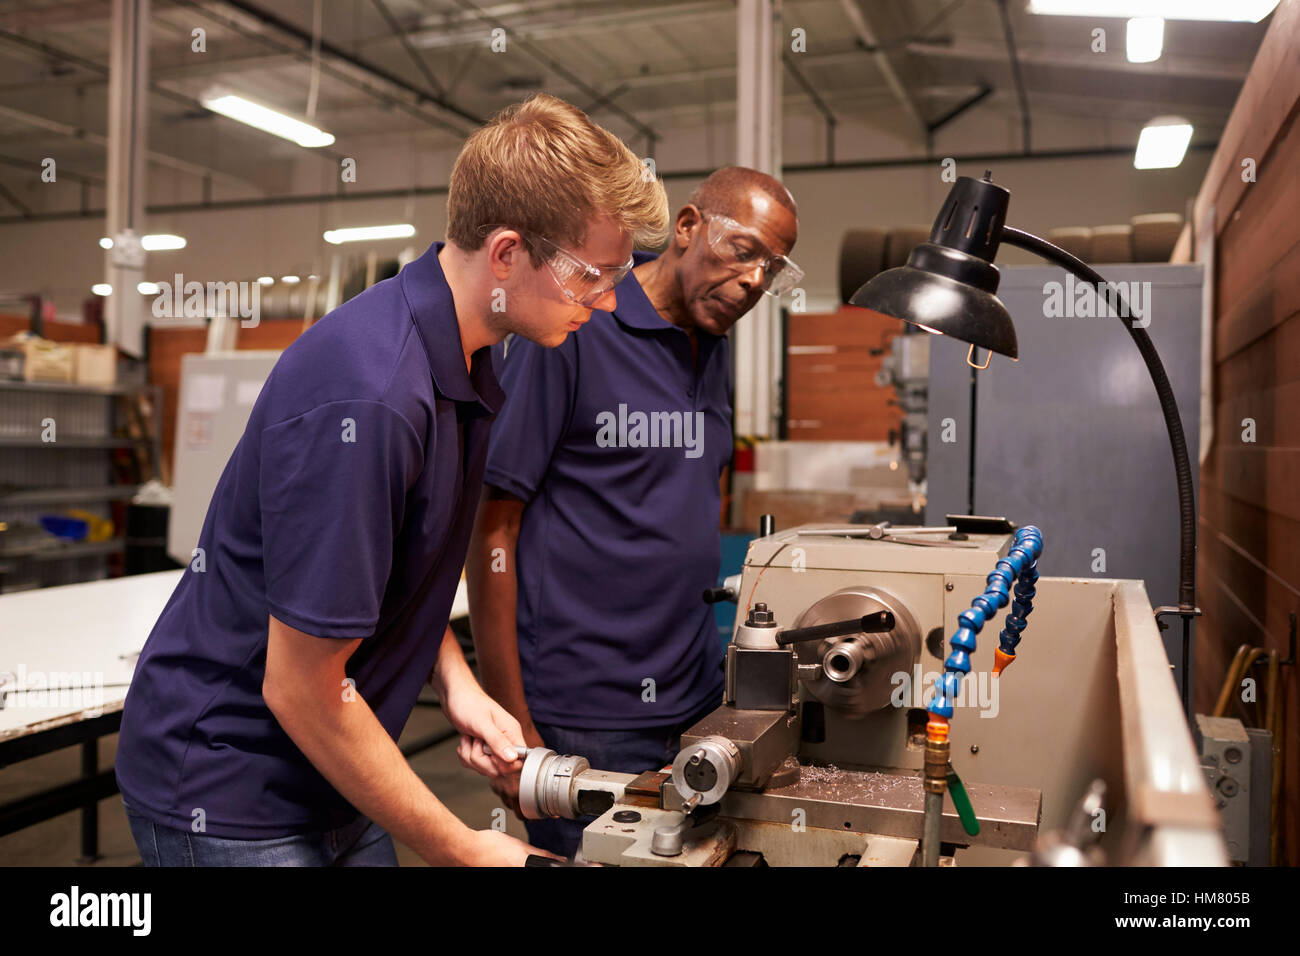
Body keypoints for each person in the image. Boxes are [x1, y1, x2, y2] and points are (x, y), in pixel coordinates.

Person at [114, 93, 669, 866]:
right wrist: (467, 850)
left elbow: (385, 570)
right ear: (507, 253)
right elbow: (300, 685)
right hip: (233, 784)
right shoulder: (373, 395)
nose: (607, 302)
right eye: (593, 276)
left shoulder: (475, 352)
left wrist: (457, 684)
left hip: (334, 764)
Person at [467, 167, 800, 857]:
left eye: (771, 269)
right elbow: (491, 527)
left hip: (695, 697)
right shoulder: (577, 325)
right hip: (584, 713)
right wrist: (513, 727)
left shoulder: (713, 342)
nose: (752, 283)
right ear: (686, 227)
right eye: (742, 250)